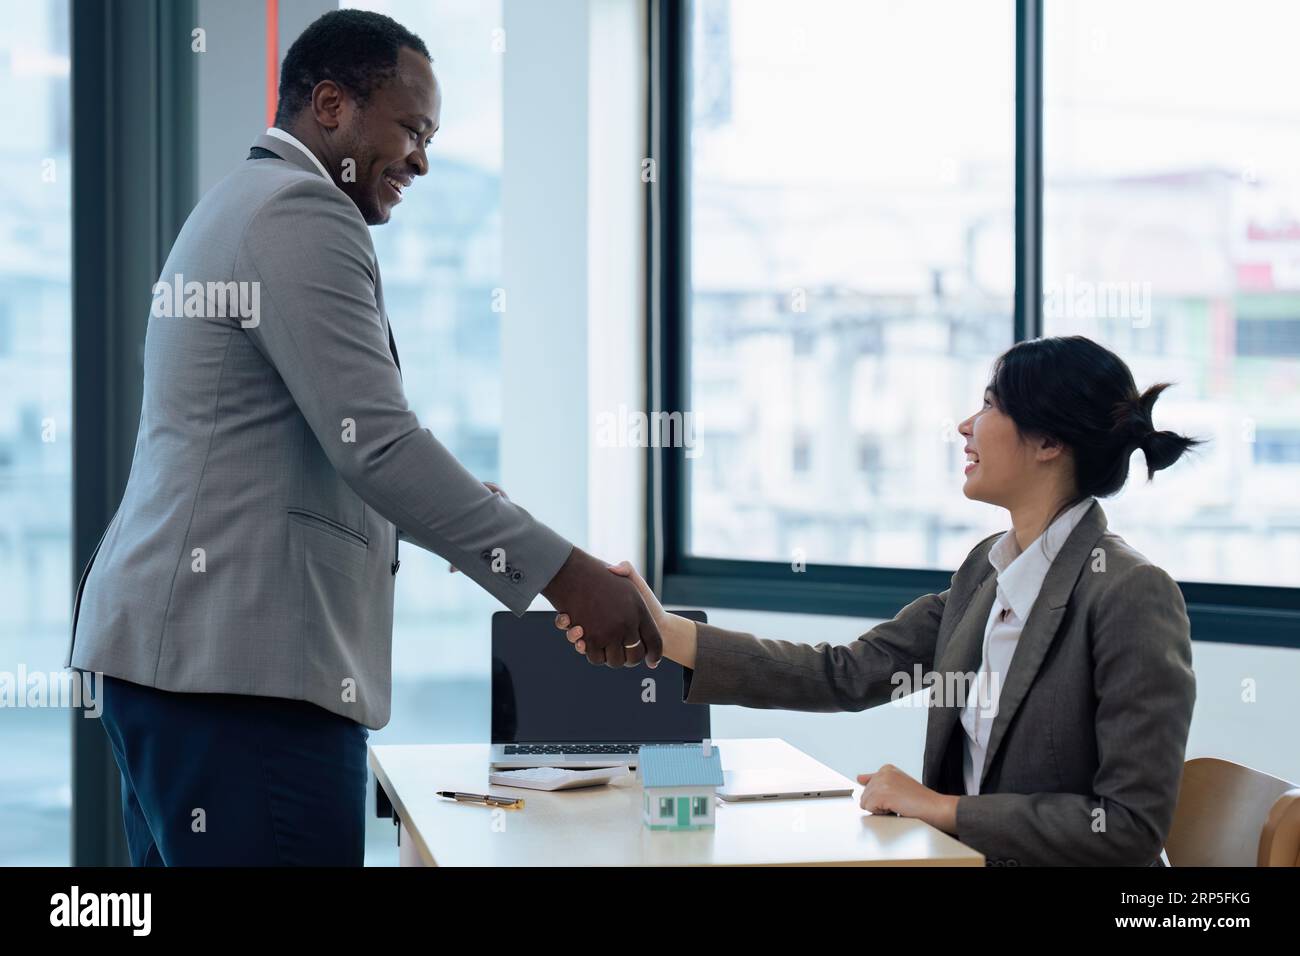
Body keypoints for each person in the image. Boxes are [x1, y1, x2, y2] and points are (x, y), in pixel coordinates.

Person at [66, 9, 659, 867]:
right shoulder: (300, 210)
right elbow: (378, 447)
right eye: (413, 129)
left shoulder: (250, 203)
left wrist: (449, 510)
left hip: (188, 670)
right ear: (333, 104)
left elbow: (316, 447)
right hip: (241, 681)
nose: (422, 157)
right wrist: (566, 577)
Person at [559, 335, 1201, 866]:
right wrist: (662, 629)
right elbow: (846, 673)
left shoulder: (1130, 593)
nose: (965, 425)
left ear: (1048, 442)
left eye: (988, 404)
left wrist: (940, 807)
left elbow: (1126, 828)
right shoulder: (987, 569)